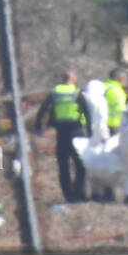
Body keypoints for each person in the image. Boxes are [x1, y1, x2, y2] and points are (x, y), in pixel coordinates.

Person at [35, 71, 89, 202]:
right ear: (72, 79)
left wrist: (38, 126)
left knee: (63, 165)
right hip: (76, 132)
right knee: (81, 164)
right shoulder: (76, 92)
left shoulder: (56, 92)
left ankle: (68, 195)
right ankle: (78, 193)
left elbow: (43, 108)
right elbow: (87, 111)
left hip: (61, 133)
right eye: (75, 77)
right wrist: (91, 131)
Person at [103, 69, 128, 136]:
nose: (126, 80)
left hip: (101, 124)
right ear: (117, 79)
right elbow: (121, 110)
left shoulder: (103, 86)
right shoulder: (117, 91)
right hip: (114, 125)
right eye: (124, 78)